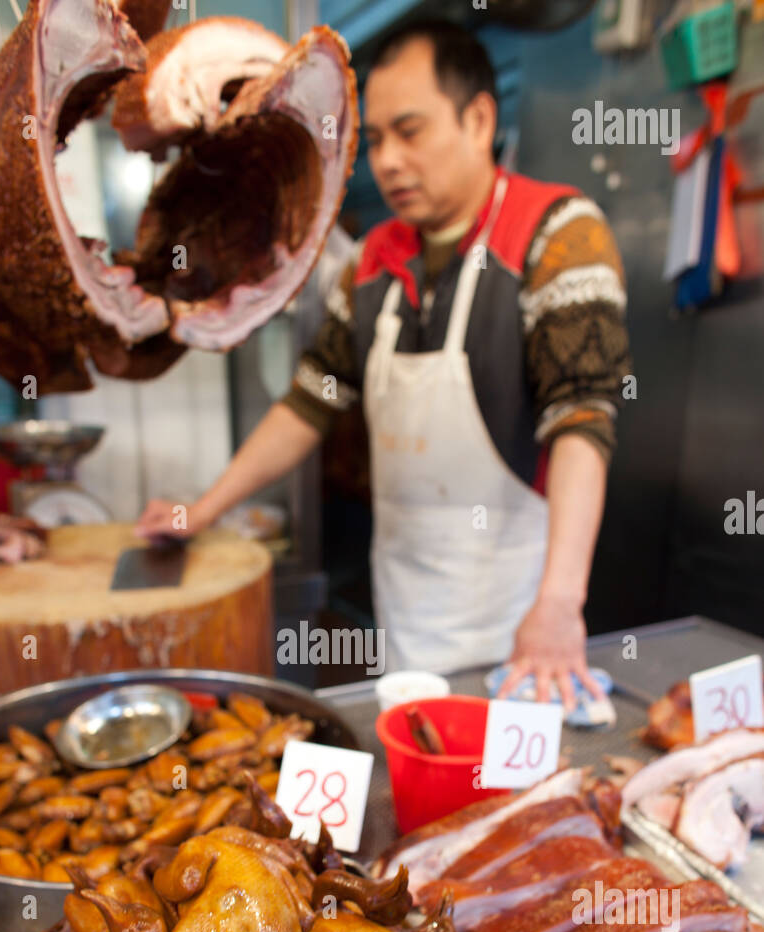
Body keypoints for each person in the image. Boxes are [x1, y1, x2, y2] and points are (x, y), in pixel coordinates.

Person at [136, 18, 631, 706]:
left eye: (411, 131)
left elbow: (582, 419)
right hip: (406, 616)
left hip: (522, 629)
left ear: (480, 119)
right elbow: (309, 402)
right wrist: (202, 510)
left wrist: (559, 602)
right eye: (375, 141)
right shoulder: (371, 262)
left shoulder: (557, 234)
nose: (388, 161)